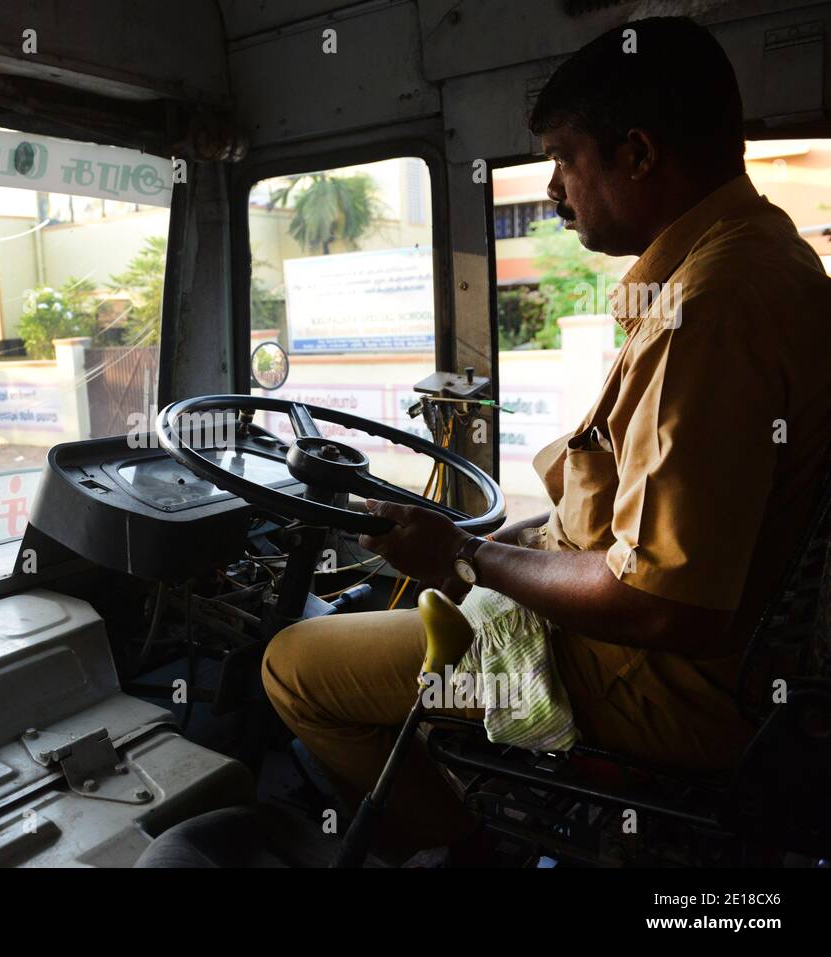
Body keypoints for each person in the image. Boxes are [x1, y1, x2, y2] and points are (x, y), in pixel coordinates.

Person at [261, 16, 831, 863]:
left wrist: (466, 555)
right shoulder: (772, 256)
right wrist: (506, 546)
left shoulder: (706, 312)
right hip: (730, 663)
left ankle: (460, 847)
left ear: (637, 152)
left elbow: (660, 604)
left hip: (656, 679)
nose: (556, 190)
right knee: (416, 600)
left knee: (294, 664)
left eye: (566, 159)